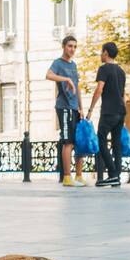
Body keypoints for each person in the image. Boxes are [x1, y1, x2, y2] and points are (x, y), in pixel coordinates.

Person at [46, 34, 87, 187]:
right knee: (68, 142)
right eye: (70, 46)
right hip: (64, 107)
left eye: (75, 46)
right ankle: (67, 177)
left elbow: (78, 87)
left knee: (79, 142)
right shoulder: (58, 63)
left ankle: (79, 176)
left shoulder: (74, 65)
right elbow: (48, 75)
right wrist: (66, 79)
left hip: (75, 108)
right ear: (64, 46)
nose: (72, 49)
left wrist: (81, 108)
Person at [87, 40, 126, 187]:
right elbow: (123, 94)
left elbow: (99, 89)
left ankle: (113, 174)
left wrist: (91, 109)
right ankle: (116, 176)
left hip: (109, 112)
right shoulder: (121, 71)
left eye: (101, 52)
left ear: (106, 53)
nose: (100, 55)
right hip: (121, 112)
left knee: (101, 140)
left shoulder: (104, 69)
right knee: (116, 143)